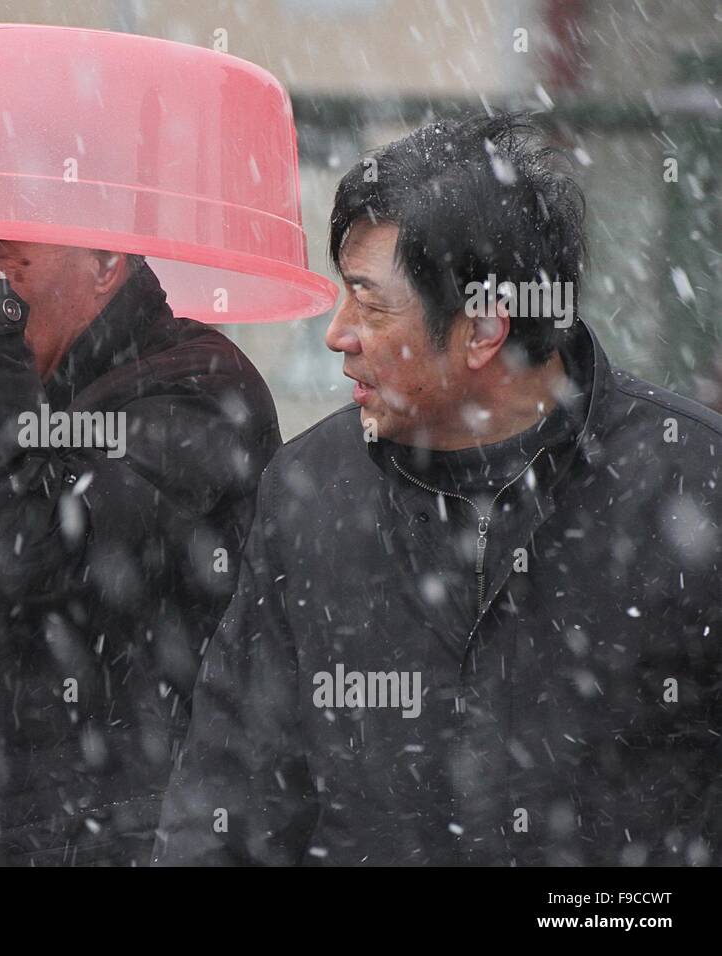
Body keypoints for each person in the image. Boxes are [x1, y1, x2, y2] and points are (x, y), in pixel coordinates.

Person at [153, 113, 722, 866]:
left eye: (371, 302)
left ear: (484, 328)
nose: (338, 332)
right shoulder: (312, 489)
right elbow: (231, 796)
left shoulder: (690, 481)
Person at [0, 191, 282, 865]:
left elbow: (24, 547)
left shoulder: (201, 386)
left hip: (131, 831)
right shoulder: (46, 381)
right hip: (38, 821)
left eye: (9, 266)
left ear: (106, 261)